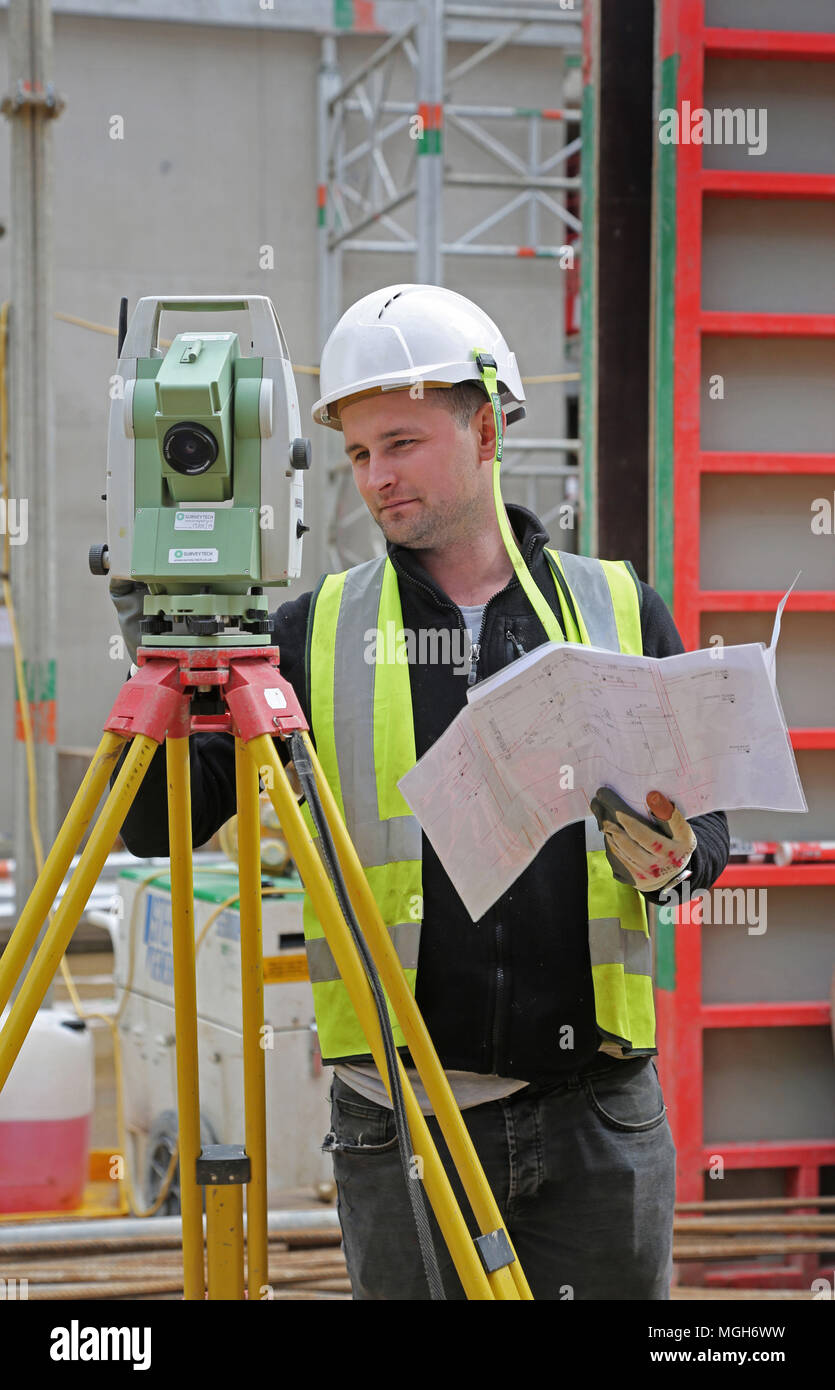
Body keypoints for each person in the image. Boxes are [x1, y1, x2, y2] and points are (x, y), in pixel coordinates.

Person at [111, 283, 729, 1301]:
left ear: (484, 427)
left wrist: (677, 854)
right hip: (396, 1116)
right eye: (356, 456)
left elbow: (706, 826)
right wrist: (163, 663)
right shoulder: (311, 632)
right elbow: (147, 823)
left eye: (399, 443)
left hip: (598, 1118)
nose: (376, 478)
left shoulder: (618, 605)